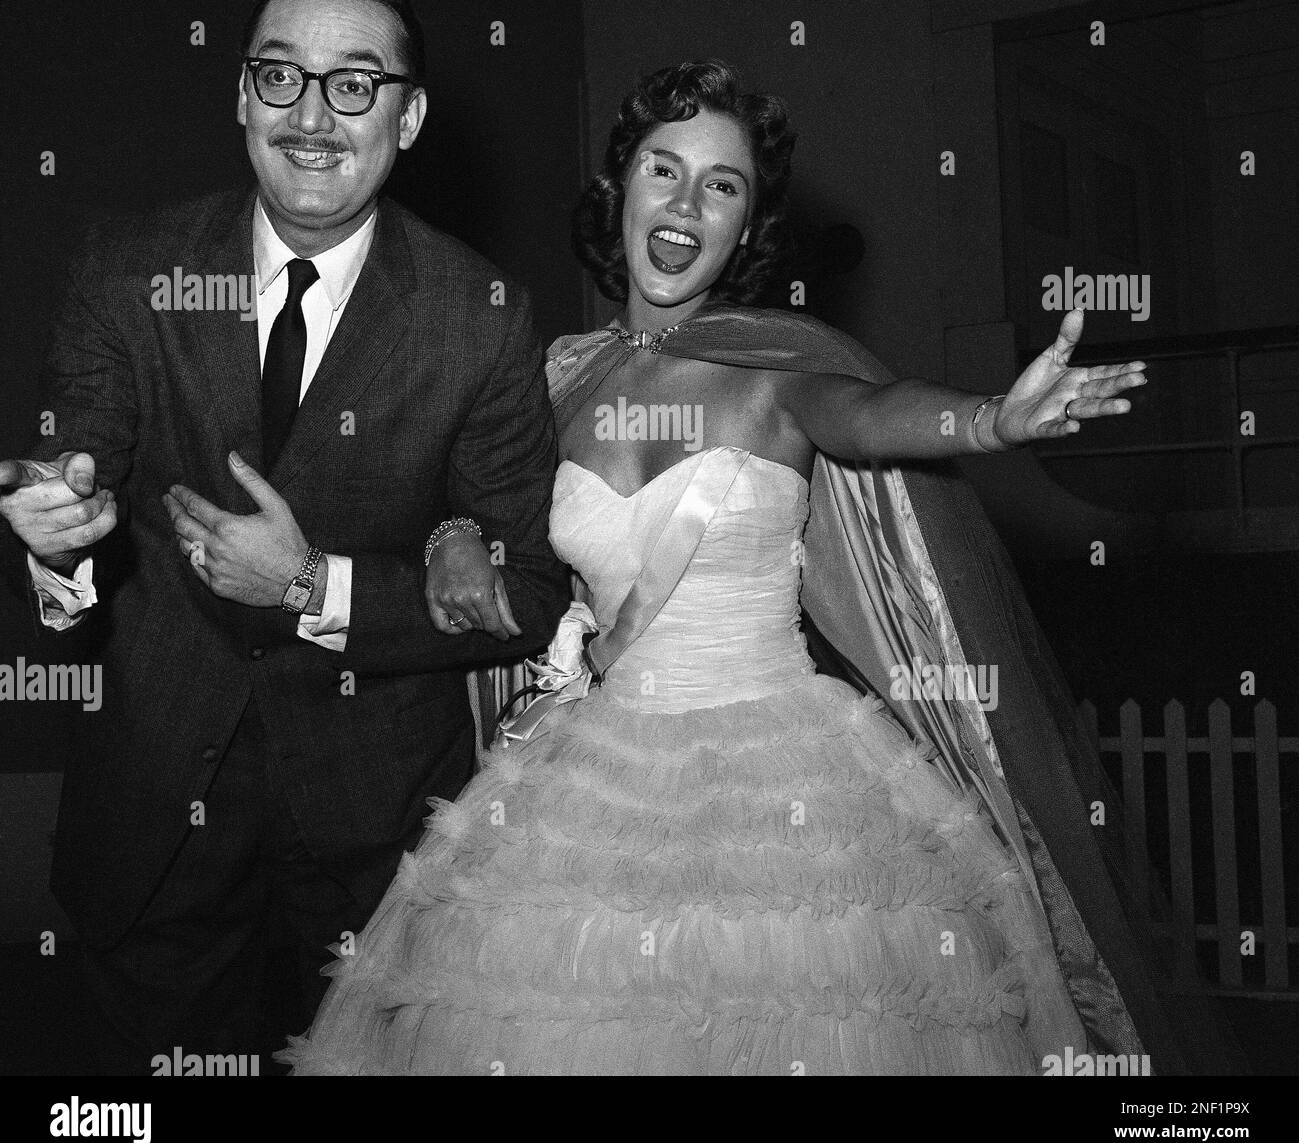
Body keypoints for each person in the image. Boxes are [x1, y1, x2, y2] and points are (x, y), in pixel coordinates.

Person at [282, 60, 1201, 1075]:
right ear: (616, 190)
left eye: (722, 185)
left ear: (747, 224)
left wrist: (990, 418)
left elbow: (869, 414)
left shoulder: (783, 364)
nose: (685, 205)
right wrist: (453, 534)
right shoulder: (547, 380)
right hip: (585, 786)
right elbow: (467, 512)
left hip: (785, 789)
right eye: (663, 171)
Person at [0, 0, 570, 1074]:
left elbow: (531, 592)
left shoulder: (483, 315)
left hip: (373, 841)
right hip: (155, 815)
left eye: (355, 84)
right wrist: (55, 537)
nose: (313, 115)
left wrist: (312, 586)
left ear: (406, 120)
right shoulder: (128, 268)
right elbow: (72, 463)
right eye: (280, 75)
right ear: (242, 94)